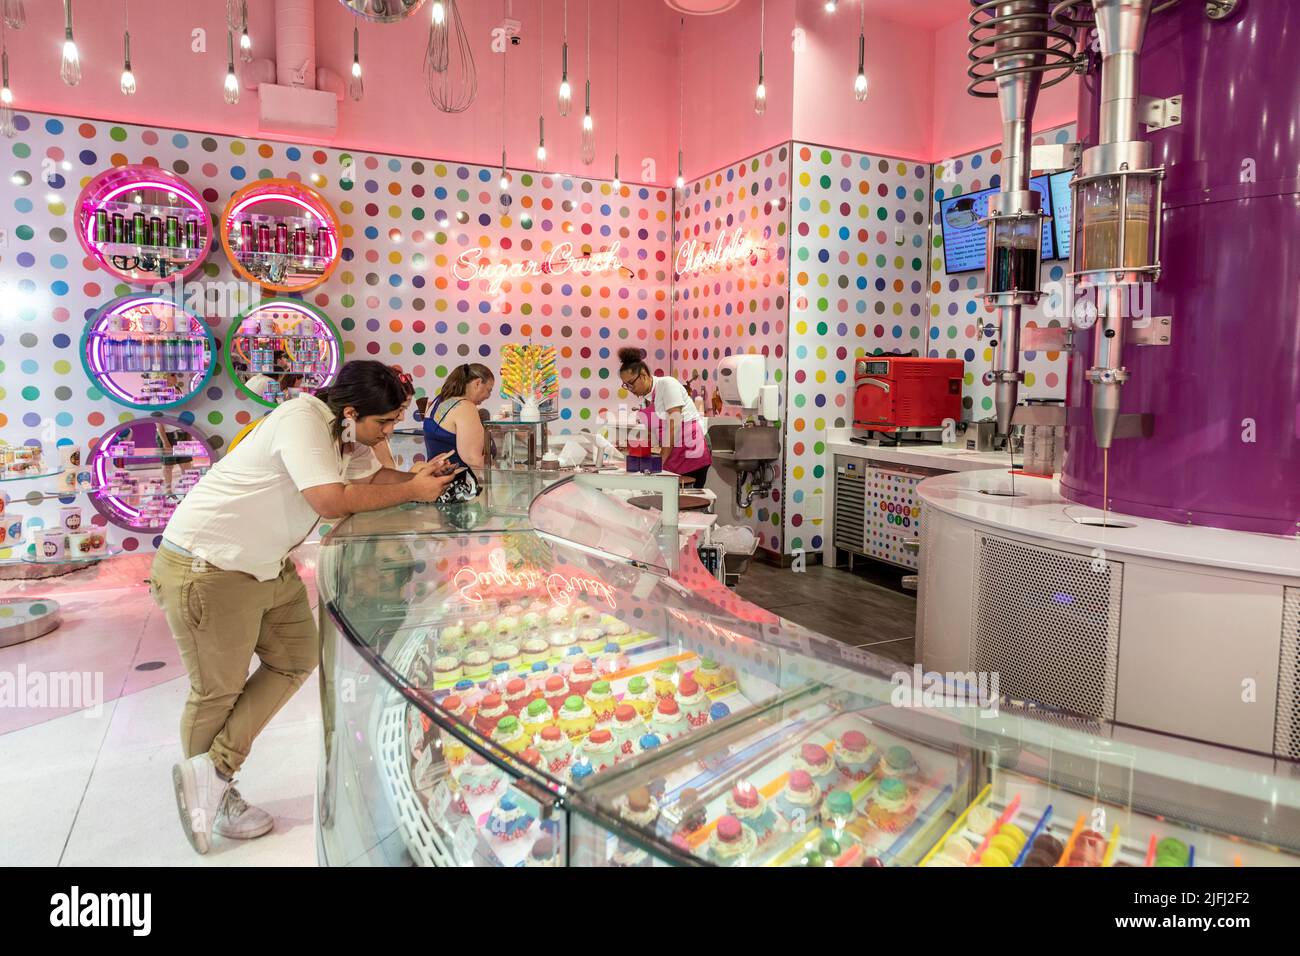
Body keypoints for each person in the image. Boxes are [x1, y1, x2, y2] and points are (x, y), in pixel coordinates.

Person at [151, 360, 461, 855]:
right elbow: (330, 500)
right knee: (217, 690)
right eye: (382, 424)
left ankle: (212, 769)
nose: (387, 432)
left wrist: (416, 475)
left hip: (269, 565)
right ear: (354, 410)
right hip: (210, 564)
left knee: (296, 659)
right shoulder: (301, 420)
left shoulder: (341, 432)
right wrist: (412, 491)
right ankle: (212, 793)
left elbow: (374, 476)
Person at [617, 347, 712, 488]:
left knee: (686, 503)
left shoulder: (667, 384)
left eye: (631, 383)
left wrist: (660, 461)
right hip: (672, 455)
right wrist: (633, 448)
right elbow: (653, 433)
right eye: (626, 385)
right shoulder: (646, 399)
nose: (630, 389)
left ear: (643, 375)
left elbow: (674, 425)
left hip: (690, 454)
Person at [422, 362, 494, 469]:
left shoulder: (438, 401)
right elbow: (474, 459)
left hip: (435, 479)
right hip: (457, 480)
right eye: (488, 390)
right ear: (477, 383)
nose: (488, 396)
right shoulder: (465, 407)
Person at [373, 365, 415, 471]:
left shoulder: (383, 436)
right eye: (400, 409)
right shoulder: (357, 441)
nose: (402, 417)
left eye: (405, 409)